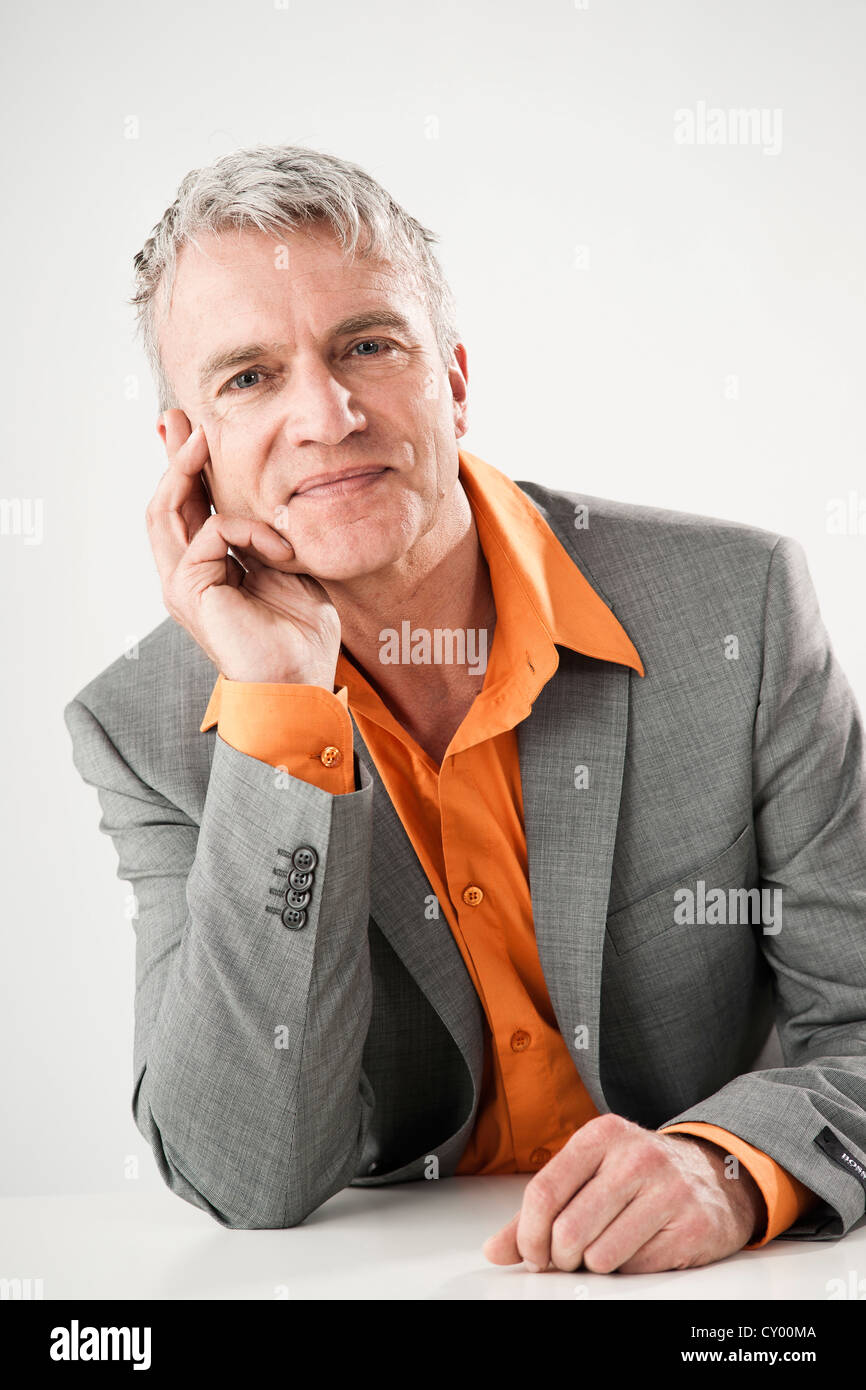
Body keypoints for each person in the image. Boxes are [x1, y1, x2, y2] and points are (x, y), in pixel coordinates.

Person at [64, 144, 866, 1274]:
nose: (327, 414)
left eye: (368, 345)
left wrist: (731, 1167)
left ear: (450, 377)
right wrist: (281, 714)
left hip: (722, 1284)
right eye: (247, 377)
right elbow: (243, 1174)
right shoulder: (144, 730)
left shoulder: (736, 611)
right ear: (183, 456)